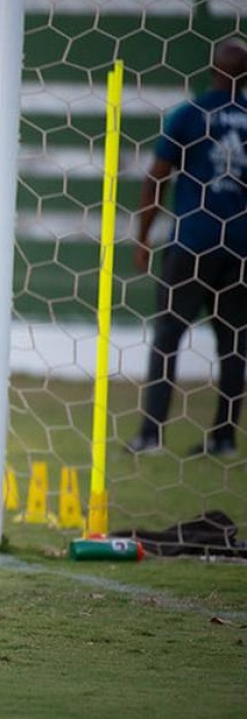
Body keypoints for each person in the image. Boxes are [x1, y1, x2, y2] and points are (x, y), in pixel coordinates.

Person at [126, 37, 247, 456]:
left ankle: (150, 435)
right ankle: (224, 438)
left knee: (167, 335)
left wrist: (142, 236)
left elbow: (156, 176)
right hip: (239, 247)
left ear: (213, 70)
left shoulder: (191, 115)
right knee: (234, 343)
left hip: (192, 242)